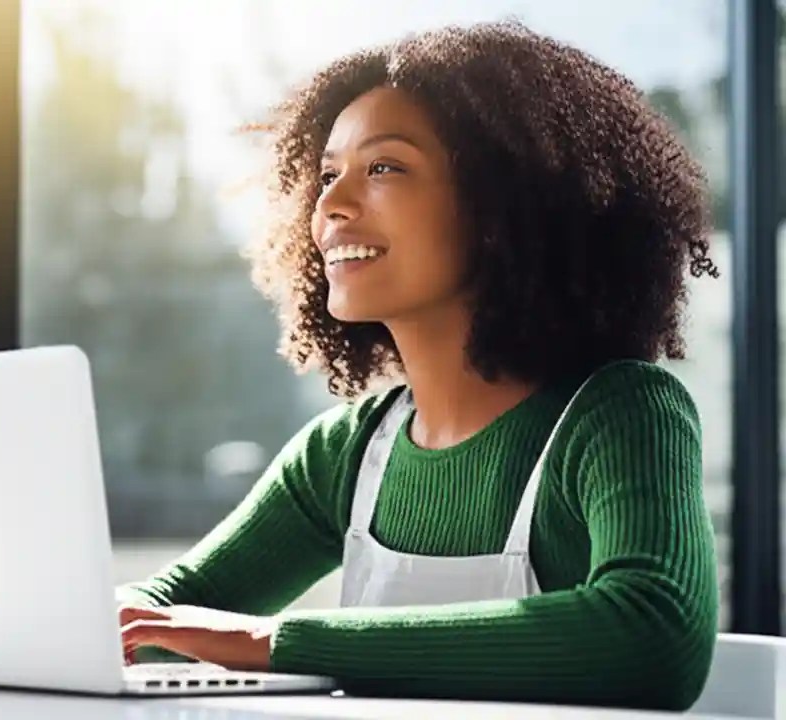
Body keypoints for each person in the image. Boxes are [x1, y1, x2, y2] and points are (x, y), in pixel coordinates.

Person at [116, 20, 720, 711]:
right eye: (326, 175)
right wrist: (86, 620)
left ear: (503, 204)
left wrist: (274, 642)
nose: (331, 208)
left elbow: (652, 636)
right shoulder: (347, 451)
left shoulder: (620, 413)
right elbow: (170, 610)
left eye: (384, 168)